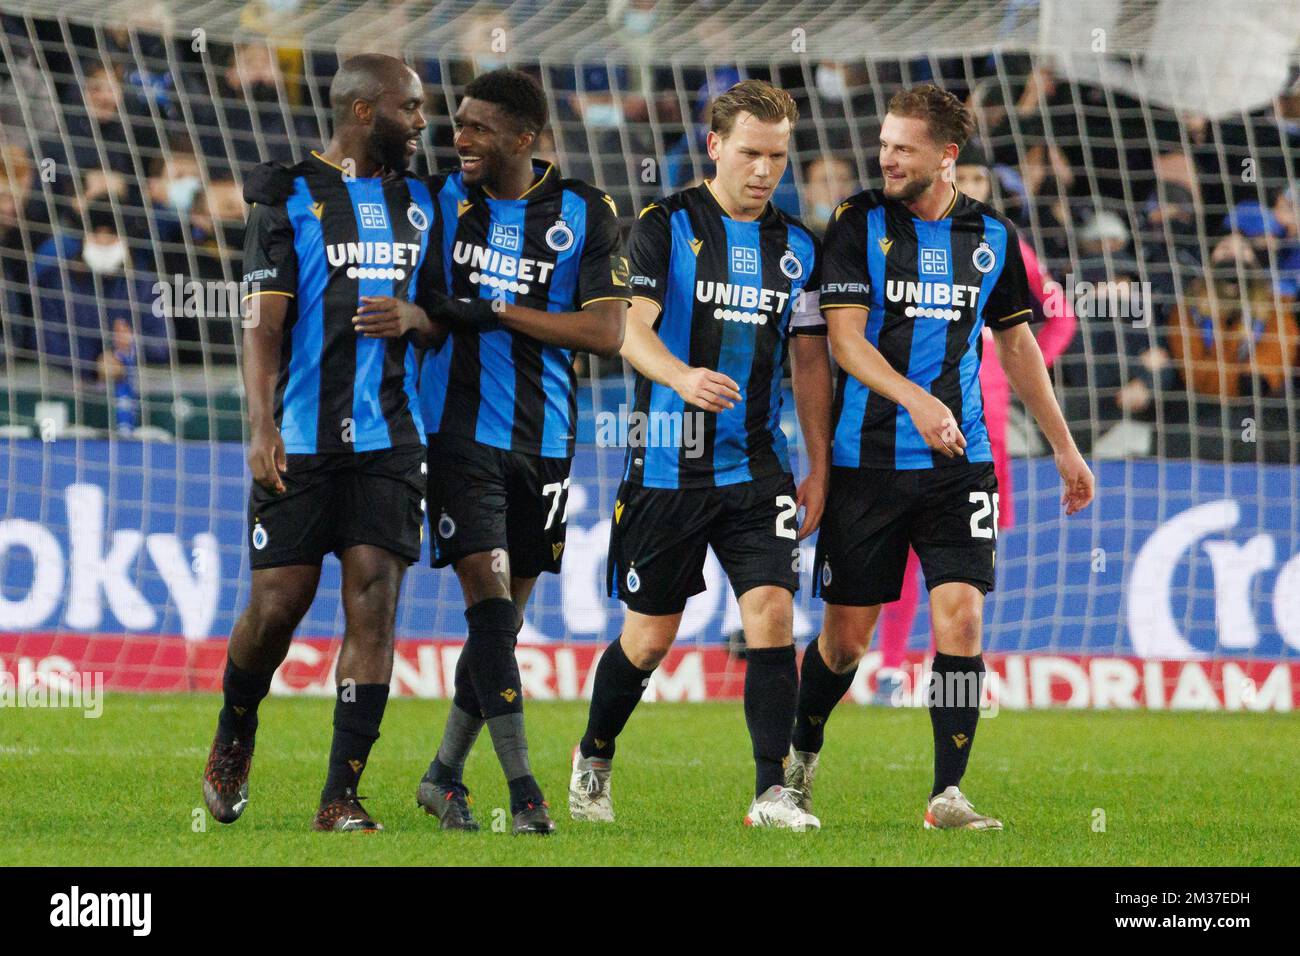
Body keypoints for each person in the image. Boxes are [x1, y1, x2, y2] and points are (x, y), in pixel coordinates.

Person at [790, 84, 1094, 830]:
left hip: (963, 464)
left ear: (945, 156)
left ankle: (947, 793)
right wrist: (917, 402)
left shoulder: (991, 236)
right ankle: (798, 760)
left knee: (960, 622)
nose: (885, 157)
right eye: (884, 143)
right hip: (869, 460)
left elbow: (1019, 345)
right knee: (844, 641)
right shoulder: (857, 222)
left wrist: (1064, 447)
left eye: (903, 148)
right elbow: (846, 341)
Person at [360, 69, 629, 835]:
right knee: (488, 607)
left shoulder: (583, 210)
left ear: (525, 138)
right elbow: (436, 310)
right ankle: (526, 793)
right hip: (457, 436)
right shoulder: (440, 201)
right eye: (457, 123)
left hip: (545, 443)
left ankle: (443, 775)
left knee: (502, 626)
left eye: (478, 127)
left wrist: (496, 309)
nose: (461, 137)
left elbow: (605, 334)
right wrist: (419, 314)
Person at [568, 80, 833, 830]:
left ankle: (769, 793)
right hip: (666, 467)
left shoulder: (798, 247)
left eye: (777, 158)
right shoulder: (663, 224)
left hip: (758, 469)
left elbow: (810, 363)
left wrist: (818, 463)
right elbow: (629, 328)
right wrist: (682, 375)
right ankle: (593, 757)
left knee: (773, 619)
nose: (764, 171)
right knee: (648, 637)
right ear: (715, 146)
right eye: (751, 153)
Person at [200, 53, 434, 833]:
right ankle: (236, 730)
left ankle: (341, 796)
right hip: (300, 436)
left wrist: (420, 319)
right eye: (411, 107)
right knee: (277, 606)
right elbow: (263, 324)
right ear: (364, 112)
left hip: (391, 440)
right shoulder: (290, 196)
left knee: (376, 600)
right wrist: (261, 425)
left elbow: (441, 313)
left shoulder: (424, 203)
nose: (422, 122)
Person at [872, 140, 1079, 703]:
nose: (974, 187)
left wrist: (1016, 366)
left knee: (969, 550)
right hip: (917, 413)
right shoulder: (904, 236)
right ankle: (890, 668)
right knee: (908, 550)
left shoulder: (1002, 244)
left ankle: (959, 672)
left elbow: (1060, 318)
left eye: (982, 179)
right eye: (966, 176)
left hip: (984, 418)